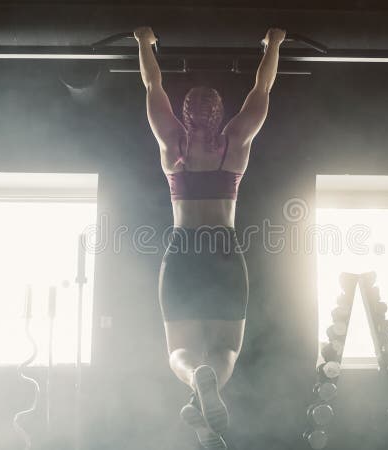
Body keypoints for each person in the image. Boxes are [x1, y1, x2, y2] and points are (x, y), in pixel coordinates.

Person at [134, 26, 285, 448]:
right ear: (219, 115)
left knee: (177, 350)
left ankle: (195, 379)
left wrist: (143, 43)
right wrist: (274, 44)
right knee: (226, 350)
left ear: (184, 114)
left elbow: (152, 84)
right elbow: (262, 87)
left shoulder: (171, 144)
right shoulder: (235, 143)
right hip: (223, 249)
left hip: (183, 247)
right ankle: (205, 381)